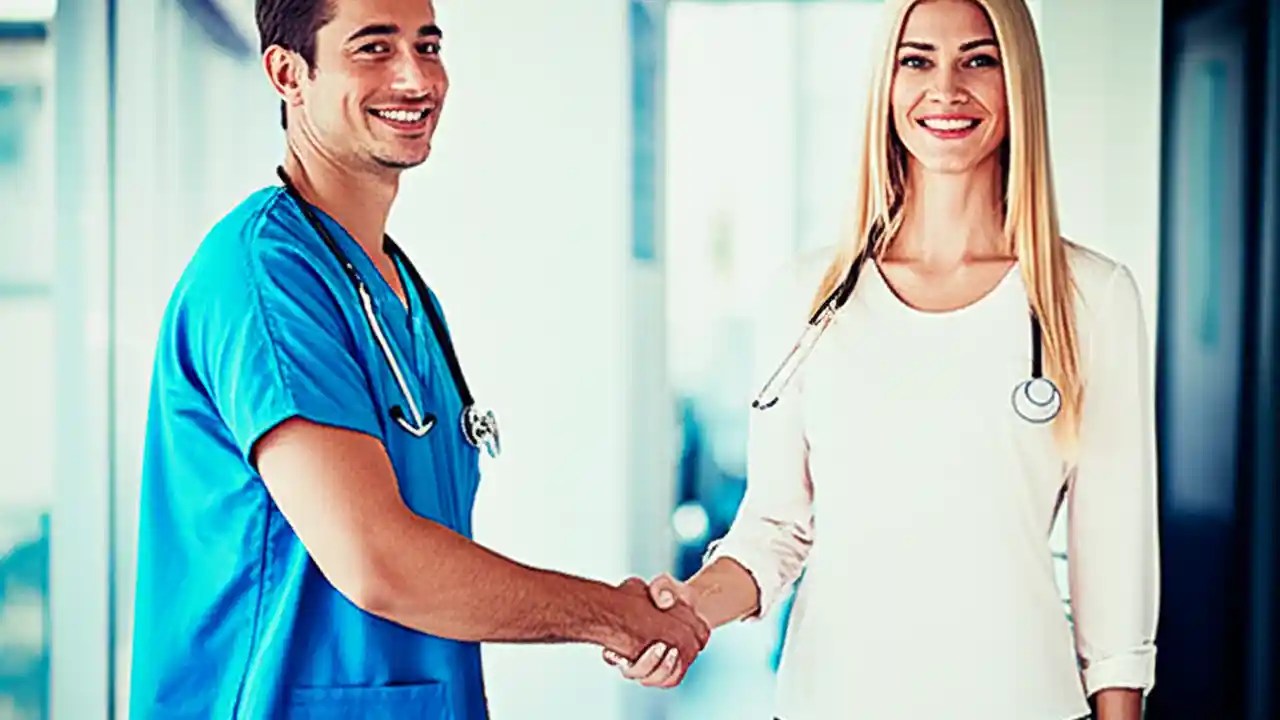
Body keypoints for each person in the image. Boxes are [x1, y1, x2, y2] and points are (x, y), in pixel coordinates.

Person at [126, 0, 709, 717]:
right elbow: (379, 560)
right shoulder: (265, 279)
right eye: (373, 48)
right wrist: (613, 615)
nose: (415, 78)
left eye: (427, 46)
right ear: (288, 74)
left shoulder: (395, 286)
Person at [605, 0, 1160, 718]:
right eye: (917, 60)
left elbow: (1115, 579)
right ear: (886, 85)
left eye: (978, 59)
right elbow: (775, 527)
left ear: (1017, 76)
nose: (947, 89)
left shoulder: (1091, 297)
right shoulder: (809, 297)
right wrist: (685, 611)